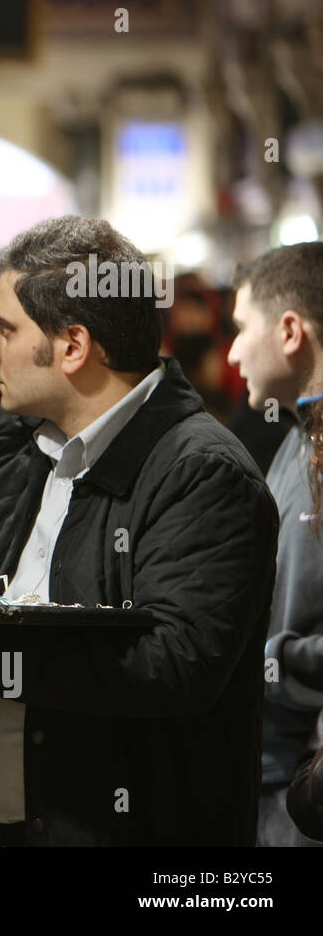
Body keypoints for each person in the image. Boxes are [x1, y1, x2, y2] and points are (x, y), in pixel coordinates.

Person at [0, 215, 278, 846]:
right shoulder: (18, 436)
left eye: (5, 329)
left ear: (73, 347)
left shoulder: (202, 471)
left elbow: (173, 665)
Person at [224, 242, 323, 846]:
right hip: (272, 775)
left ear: (289, 331)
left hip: (305, 786)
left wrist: (262, 658)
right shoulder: (297, 436)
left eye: (241, 329)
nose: (231, 350)